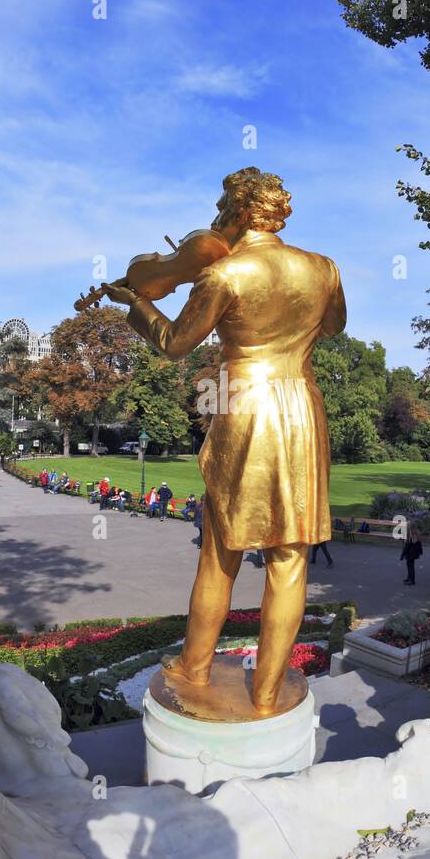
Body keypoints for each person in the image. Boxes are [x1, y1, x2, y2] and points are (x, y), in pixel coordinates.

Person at [103, 165, 345, 713]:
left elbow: (173, 344)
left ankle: (194, 664)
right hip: (302, 406)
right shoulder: (324, 268)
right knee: (290, 557)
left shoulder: (226, 275)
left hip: (247, 406)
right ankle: (265, 695)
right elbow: (333, 327)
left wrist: (136, 304)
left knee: (219, 549)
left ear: (236, 211)